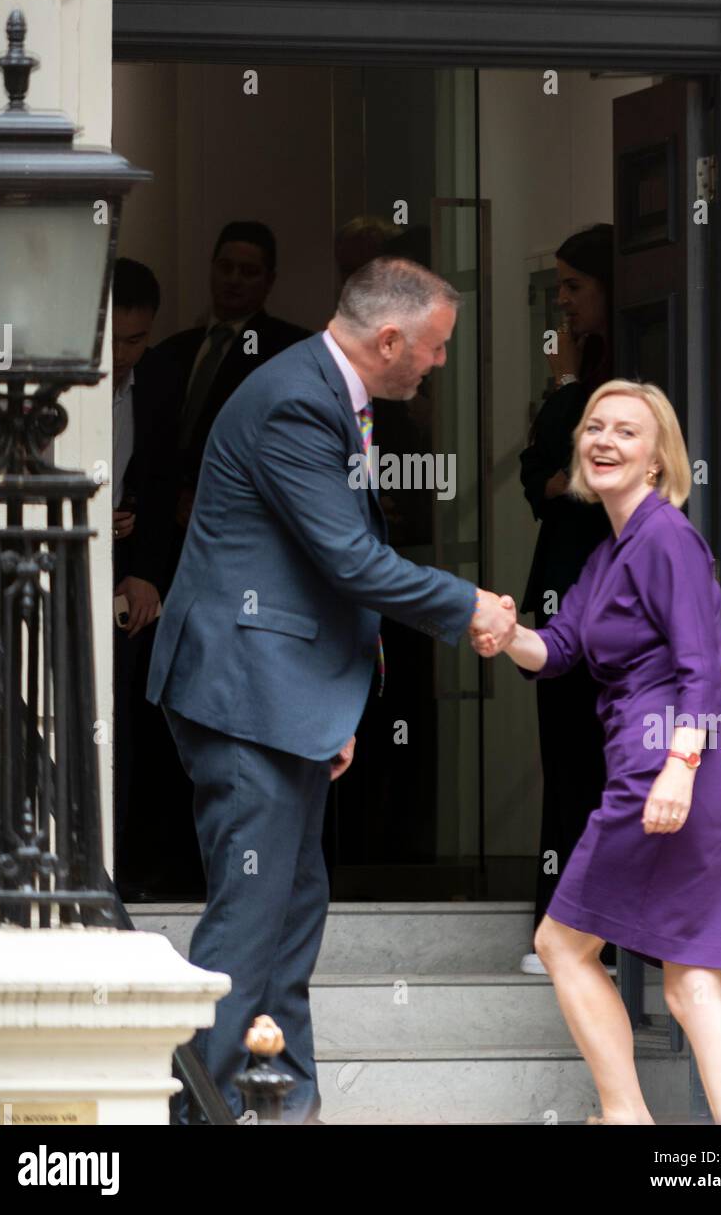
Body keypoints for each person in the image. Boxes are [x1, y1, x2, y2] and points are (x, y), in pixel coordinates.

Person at [146, 256, 517, 1122]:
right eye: (433, 349)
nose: (436, 364)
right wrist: (467, 604)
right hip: (243, 692)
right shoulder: (295, 400)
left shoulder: (320, 388)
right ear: (389, 339)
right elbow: (347, 559)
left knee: (291, 909)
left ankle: (283, 1102)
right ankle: (203, 1109)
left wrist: (331, 708)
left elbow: (312, 568)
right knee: (251, 916)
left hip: (281, 697)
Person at [475, 380, 721, 1126]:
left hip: (671, 765)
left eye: (626, 433)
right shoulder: (609, 555)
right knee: (692, 980)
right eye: (593, 427)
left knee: (562, 944)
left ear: (658, 462)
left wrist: (677, 766)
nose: (602, 440)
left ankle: (623, 1118)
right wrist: (507, 632)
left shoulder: (665, 536)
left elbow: (702, 663)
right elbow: (560, 649)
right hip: (695, 768)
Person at [518, 224, 614, 974]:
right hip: (560, 599)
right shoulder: (572, 375)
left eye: (574, 287)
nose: (563, 302)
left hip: (611, 601)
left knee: (599, 765)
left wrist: (568, 385)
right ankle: (558, 920)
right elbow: (536, 477)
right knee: (566, 762)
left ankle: (594, 928)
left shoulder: (620, 374)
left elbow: (570, 473)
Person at [146, 220, 308, 573]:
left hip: (244, 534)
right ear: (212, 269)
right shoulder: (171, 351)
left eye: (248, 271)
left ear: (270, 281)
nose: (234, 279)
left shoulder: (289, 350)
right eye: (225, 267)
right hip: (161, 534)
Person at [109, 258, 179, 895]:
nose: (126, 352)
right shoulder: (59, 380)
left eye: (138, 338)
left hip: (126, 585)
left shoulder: (156, 383)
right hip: (51, 574)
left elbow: (160, 487)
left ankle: (114, 867)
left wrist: (147, 575)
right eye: (117, 337)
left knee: (125, 722)